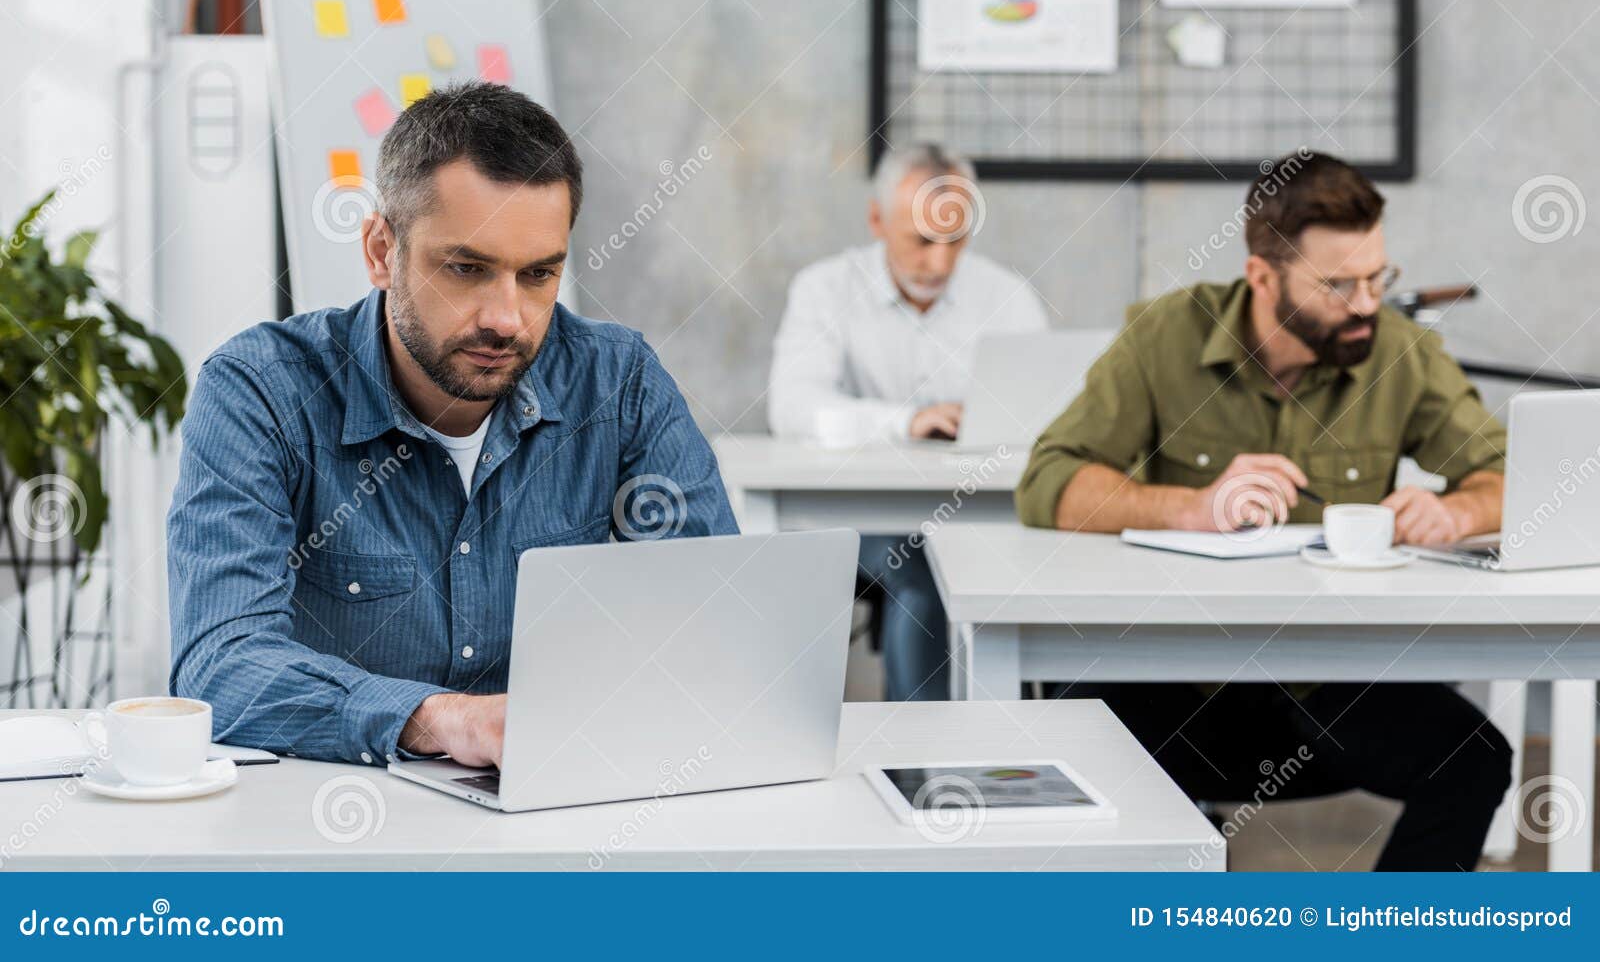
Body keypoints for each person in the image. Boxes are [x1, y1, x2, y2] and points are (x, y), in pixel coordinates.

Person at [167, 82, 736, 769]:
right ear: (381, 250)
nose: (507, 317)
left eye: (538, 275)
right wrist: (441, 721)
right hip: (333, 823)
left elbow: (714, 619)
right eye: (467, 269)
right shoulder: (261, 392)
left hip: (556, 812)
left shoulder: (618, 383)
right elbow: (221, 666)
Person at [1016, 151, 1512, 871]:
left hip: (1332, 682)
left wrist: (1460, 512)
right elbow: (1047, 481)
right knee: (1062, 746)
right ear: (1261, 276)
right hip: (1173, 676)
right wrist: (1189, 508)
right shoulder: (1164, 337)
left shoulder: (1401, 352)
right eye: (1339, 285)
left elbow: (1509, 475)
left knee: (1474, 761)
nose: (1367, 303)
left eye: (1379, 277)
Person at [768, 143, 1047, 701]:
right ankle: (924, 766)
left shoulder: (1006, 295)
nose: (940, 264)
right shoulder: (824, 289)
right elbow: (792, 406)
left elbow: (1044, 409)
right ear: (877, 220)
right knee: (927, 565)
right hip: (863, 515)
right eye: (922, 240)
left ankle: (1007, 757)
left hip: (982, 511)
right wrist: (908, 422)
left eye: (956, 240)